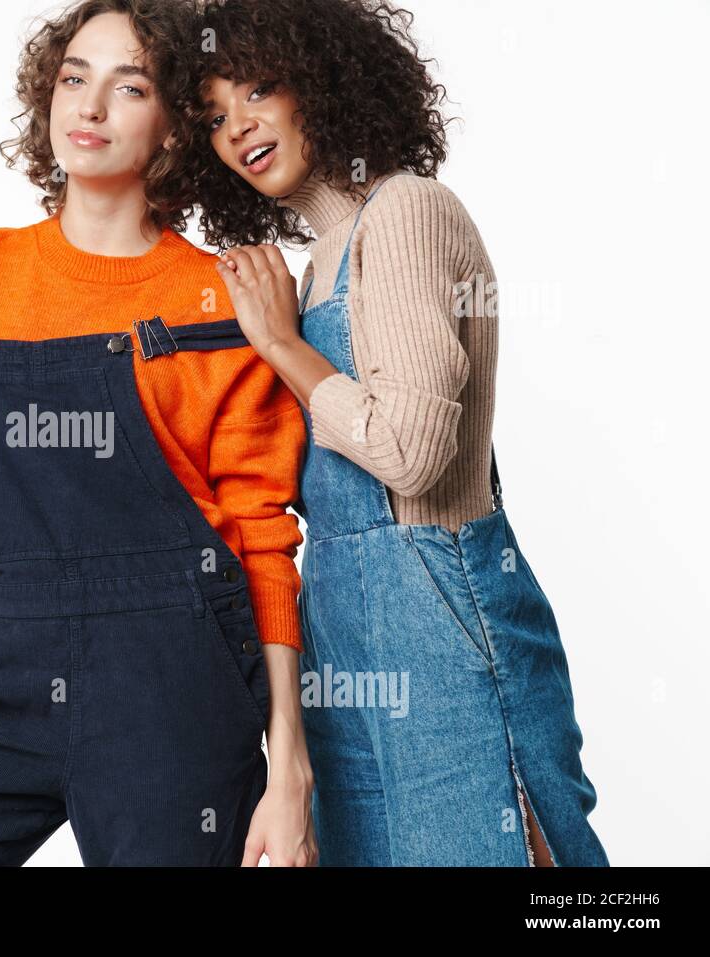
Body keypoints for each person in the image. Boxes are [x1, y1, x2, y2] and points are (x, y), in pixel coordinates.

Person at [0, 0, 316, 866]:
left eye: (129, 88)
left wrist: (290, 770)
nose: (88, 107)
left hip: (173, 695)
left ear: (171, 131)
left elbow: (265, 545)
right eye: (74, 79)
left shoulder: (220, 301)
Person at [178, 0, 609, 867]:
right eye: (217, 117)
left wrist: (282, 347)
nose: (241, 128)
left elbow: (411, 452)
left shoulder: (409, 211)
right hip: (336, 628)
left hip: (441, 607)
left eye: (261, 88)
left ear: (325, 80)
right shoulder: (310, 268)